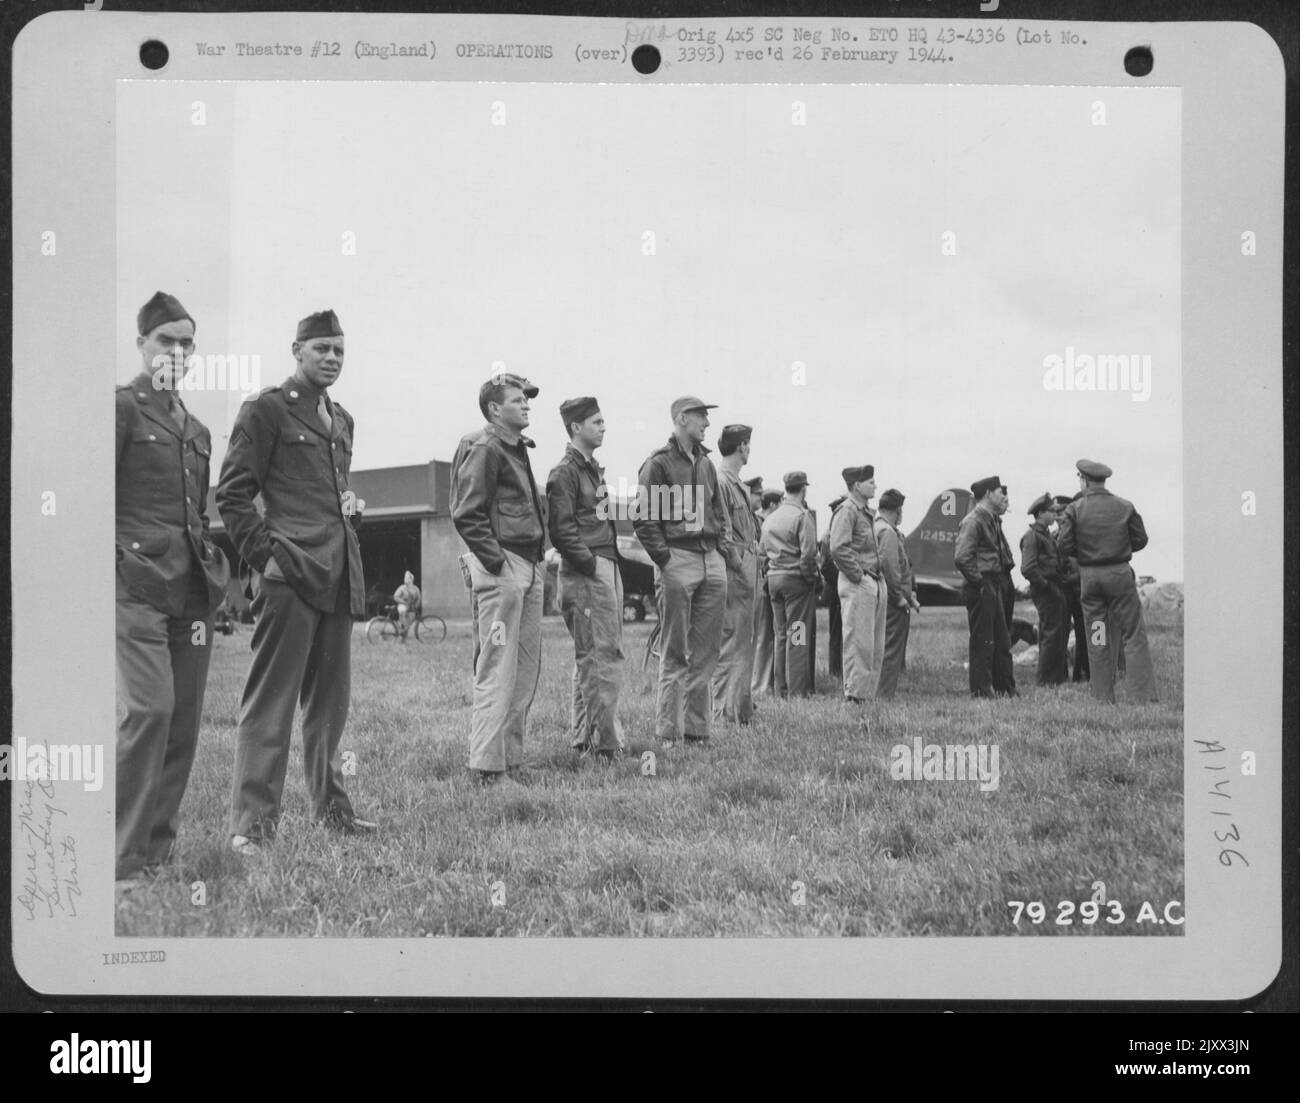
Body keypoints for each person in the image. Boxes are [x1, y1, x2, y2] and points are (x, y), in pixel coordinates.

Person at [217, 309, 373, 854]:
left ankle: (332, 810)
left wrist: (349, 506)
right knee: (272, 701)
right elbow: (232, 495)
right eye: (321, 349)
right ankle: (251, 827)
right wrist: (267, 559)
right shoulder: (266, 410)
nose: (331, 358)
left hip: (337, 573)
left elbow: (331, 489)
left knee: (331, 704)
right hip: (289, 575)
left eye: (339, 351)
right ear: (296, 350)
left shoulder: (343, 418)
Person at [115, 292, 230, 885]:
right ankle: (124, 856)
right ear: (141, 344)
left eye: (187, 343)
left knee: (183, 721)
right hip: (135, 587)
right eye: (166, 340)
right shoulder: (120, 410)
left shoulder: (199, 428)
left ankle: (156, 852)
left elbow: (197, 512)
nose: (177, 351)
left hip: (192, 592)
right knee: (149, 710)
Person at [451, 372, 549, 784]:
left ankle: (511, 759)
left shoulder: (514, 447)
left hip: (528, 564)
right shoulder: (486, 446)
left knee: (524, 670)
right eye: (518, 400)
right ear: (495, 409)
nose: (526, 404)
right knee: (497, 669)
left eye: (527, 399)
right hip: (504, 567)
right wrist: (498, 566)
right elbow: (466, 513)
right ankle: (487, 769)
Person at [634, 396, 736, 747]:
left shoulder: (706, 464)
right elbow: (644, 519)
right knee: (676, 651)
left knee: (707, 652)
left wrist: (721, 552)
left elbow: (718, 512)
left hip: (710, 560)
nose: (707, 423)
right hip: (678, 559)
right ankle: (668, 734)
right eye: (701, 417)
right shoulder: (658, 464)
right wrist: (666, 560)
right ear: (681, 419)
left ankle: (697, 731)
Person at [546, 395, 625, 761]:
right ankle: (604, 746)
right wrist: (591, 565)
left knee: (591, 657)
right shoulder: (565, 472)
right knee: (601, 657)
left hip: (602, 563)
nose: (604, 427)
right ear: (576, 427)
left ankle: (585, 739)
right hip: (589, 570)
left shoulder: (591, 469)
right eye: (596, 422)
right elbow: (561, 531)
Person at [1056, 459, 1158, 704]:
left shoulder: (1075, 509)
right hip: (1119, 575)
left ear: (1083, 480)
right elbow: (1141, 540)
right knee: (1132, 633)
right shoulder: (1124, 506)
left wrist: (1085, 553)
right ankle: (1141, 696)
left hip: (1090, 579)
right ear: (1103, 480)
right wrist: (1118, 547)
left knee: (1097, 636)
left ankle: (1103, 697)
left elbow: (1063, 545)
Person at [710, 425, 761, 725]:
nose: (749, 450)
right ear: (742, 447)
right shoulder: (721, 481)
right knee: (732, 642)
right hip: (736, 567)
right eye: (748, 445)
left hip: (746, 564)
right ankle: (724, 713)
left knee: (745, 640)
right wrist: (739, 566)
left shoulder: (734, 482)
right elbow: (723, 533)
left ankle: (741, 708)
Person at [953, 476, 1018, 698]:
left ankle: (1005, 687)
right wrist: (980, 582)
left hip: (994, 582)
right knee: (983, 641)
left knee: (1000, 639)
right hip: (982, 583)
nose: (1003, 496)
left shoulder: (990, 519)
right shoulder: (974, 520)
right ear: (989, 494)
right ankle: (981, 690)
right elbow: (962, 557)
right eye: (1000, 492)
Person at [828, 466, 887, 703]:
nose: (875, 486)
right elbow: (838, 548)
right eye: (870, 482)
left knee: (871, 645)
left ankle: (865, 693)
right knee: (858, 643)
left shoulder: (864, 511)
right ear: (856, 486)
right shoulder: (847, 511)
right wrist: (858, 575)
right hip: (859, 582)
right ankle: (855, 696)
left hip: (870, 580)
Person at [760, 471, 820, 698]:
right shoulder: (802, 517)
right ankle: (798, 691)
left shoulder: (771, 518)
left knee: (781, 634)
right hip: (796, 581)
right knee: (798, 635)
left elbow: (762, 552)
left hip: (774, 579)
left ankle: (780, 688)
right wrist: (811, 578)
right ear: (804, 489)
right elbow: (808, 555)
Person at [874, 488, 921, 699]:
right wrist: (900, 598)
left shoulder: (880, 528)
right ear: (898, 510)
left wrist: (910, 596)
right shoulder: (888, 532)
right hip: (893, 602)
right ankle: (883, 696)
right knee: (891, 651)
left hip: (890, 597)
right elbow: (890, 568)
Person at [1020, 493, 1069, 685]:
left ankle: (1056, 678)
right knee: (1050, 634)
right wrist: (1045, 585)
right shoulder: (1032, 536)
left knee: (1057, 633)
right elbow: (1027, 568)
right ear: (1041, 513)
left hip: (1053, 587)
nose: (1055, 515)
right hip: (1046, 589)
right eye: (1051, 511)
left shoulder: (1044, 535)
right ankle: (1045, 680)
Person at [1053, 493, 1091, 682]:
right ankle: (1060, 674)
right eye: (1055, 512)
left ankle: (1082, 672)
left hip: (1080, 591)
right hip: (1062, 593)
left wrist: (1074, 577)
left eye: (1061, 512)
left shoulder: (1080, 537)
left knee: (1084, 634)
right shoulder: (1053, 537)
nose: (1058, 517)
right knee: (1060, 633)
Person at [750, 488, 782, 696]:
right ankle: (762, 684)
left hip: (767, 582)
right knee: (766, 635)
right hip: (763, 582)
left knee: (774, 634)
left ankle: (767, 680)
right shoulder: (763, 521)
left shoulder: (761, 520)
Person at [819, 495, 846, 680]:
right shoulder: (829, 536)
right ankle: (835, 670)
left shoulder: (831, 534)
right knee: (837, 632)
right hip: (837, 590)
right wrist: (843, 582)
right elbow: (826, 567)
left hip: (838, 588)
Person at [393, 570, 421, 640]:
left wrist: (416, 606)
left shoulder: (416, 589)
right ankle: (402, 633)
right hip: (403, 605)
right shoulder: (402, 588)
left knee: (409, 621)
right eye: (405, 578)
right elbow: (396, 597)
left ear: (411, 579)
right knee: (403, 613)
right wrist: (404, 602)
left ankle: (404, 635)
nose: (405, 579)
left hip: (412, 608)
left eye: (407, 578)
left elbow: (418, 599)